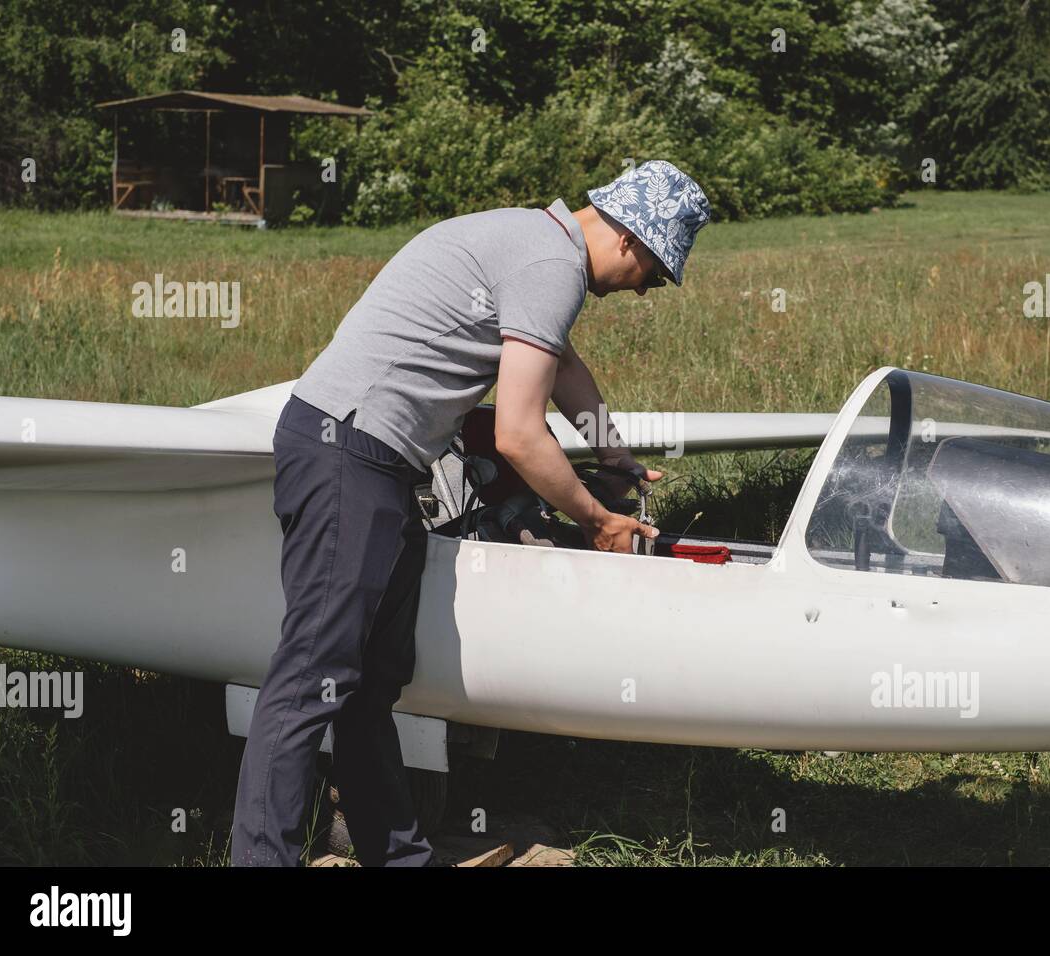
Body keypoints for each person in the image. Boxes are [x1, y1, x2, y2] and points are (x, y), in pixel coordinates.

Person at [230, 160, 711, 866]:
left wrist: (614, 457)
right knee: (314, 672)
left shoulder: (534, 245)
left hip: (380, 461)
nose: (645, 291)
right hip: (346, 453)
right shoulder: (549, 263)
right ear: (632, 241)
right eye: (656, 274)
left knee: (370, 680)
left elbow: (563, 370)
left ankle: (398, 857)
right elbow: (518, 434)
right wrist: (596, 519)